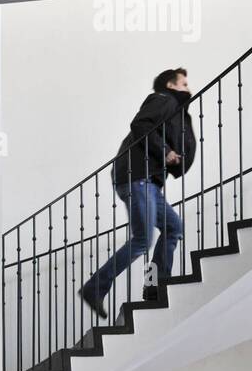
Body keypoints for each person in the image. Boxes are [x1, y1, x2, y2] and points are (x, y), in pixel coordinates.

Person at [81, 68, 196, 318]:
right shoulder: (163, 99)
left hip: (149, 182)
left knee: (173, 227)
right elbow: (140, 124)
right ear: (170, 85)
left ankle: (155, 285)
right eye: (184, 83)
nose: (188, 88)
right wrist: (165, 151)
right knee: (143, 239)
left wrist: (174, 150)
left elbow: (182, 154)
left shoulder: (176, 113)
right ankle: (95, 287)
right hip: (137, 177)